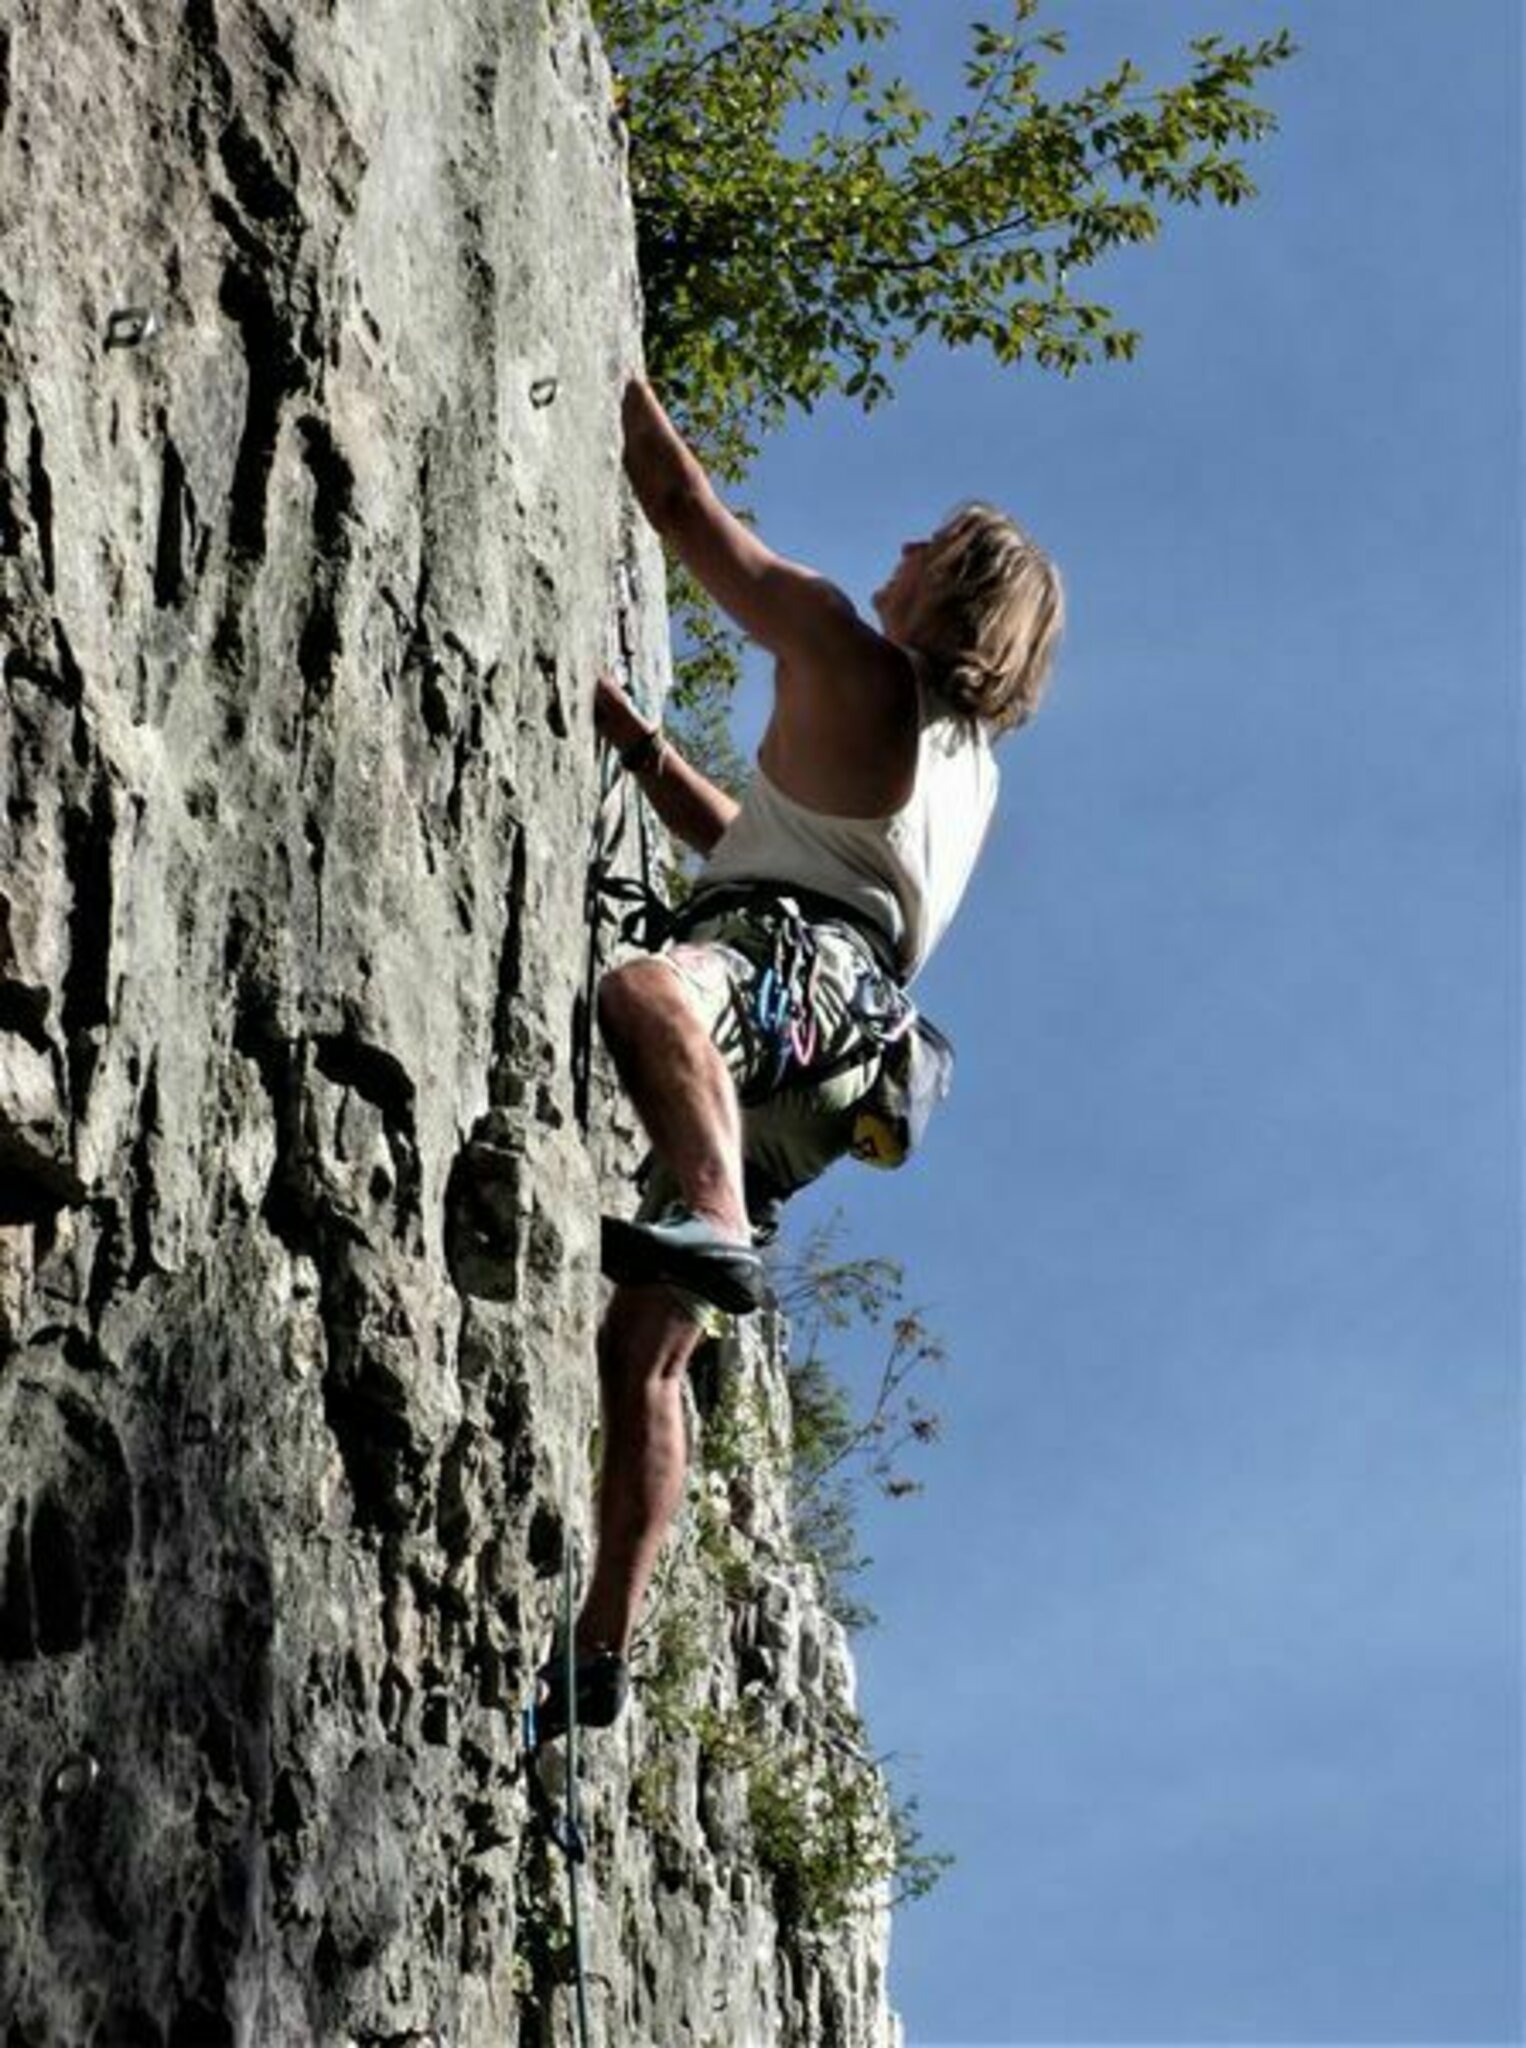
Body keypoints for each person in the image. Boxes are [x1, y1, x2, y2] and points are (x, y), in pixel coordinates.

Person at [533, 375, 1064, 1739]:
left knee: (650, 993)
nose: (893, 553)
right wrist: (646, 754)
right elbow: (766, 846)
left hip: (793, 975)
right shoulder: (962, 766)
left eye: (924, 547)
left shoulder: (839, 645)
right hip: (840, 1054)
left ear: (948, 592)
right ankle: (604, 1635)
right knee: (641, 1356)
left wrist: (613, 361)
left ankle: (710, 1211)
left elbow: (679, 506)